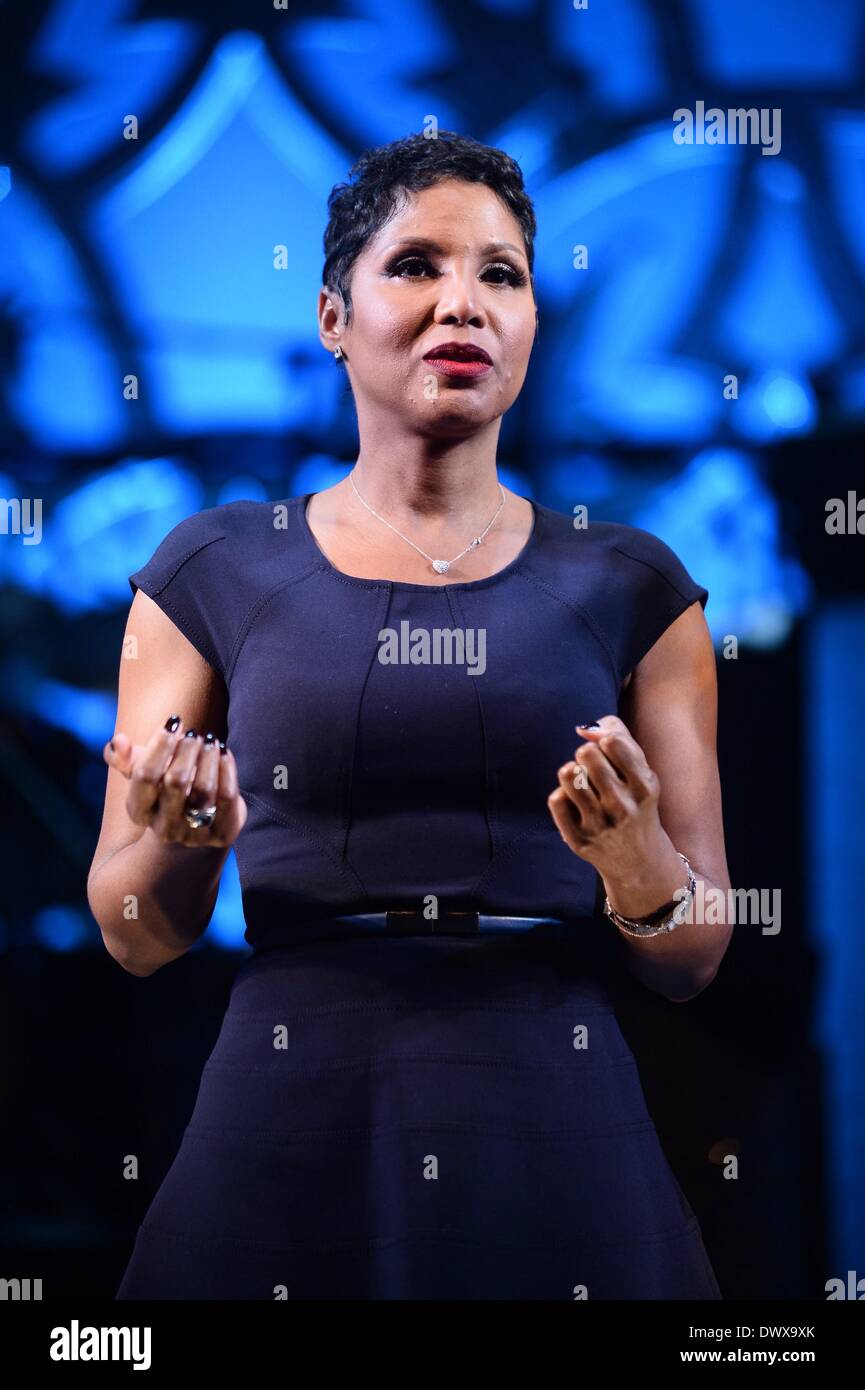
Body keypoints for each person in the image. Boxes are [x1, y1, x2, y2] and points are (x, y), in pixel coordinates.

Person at [89, 131, 733, 1300]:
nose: (463, 303)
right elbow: (135, 931)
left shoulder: (635, 585)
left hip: (552, 1098)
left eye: (500, 274)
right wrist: (184, 851)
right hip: (290, 1102)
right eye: (415, 266)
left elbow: (696, 951)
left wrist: (640, 867)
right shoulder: (214, 570)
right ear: (333, 315)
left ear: (533, 322)